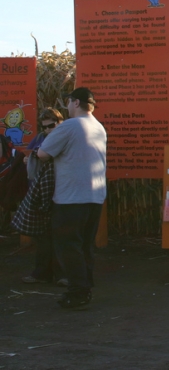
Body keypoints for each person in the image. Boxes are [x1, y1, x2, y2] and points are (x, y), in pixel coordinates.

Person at [38, 88, 107, 309]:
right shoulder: (99, 127)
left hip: (71, 198)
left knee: (68, 245)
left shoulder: (71, 125)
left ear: (76, 103)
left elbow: (43, 153)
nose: (67, 106)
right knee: (85, 245)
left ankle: (77, 292)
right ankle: (85, 285)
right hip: (95, 196)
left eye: (68, 102)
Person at [12, 108, 67, 285]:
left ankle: (61, 273)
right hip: (40, 189)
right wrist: (28, 159)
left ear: (60, 121)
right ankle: (43, 272)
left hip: (59, 189)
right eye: (44, 127)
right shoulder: (40, 138)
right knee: (43, 235)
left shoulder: (65, 136)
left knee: (60, 235)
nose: (47, 130)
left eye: (51, 125)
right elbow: (29, 155)